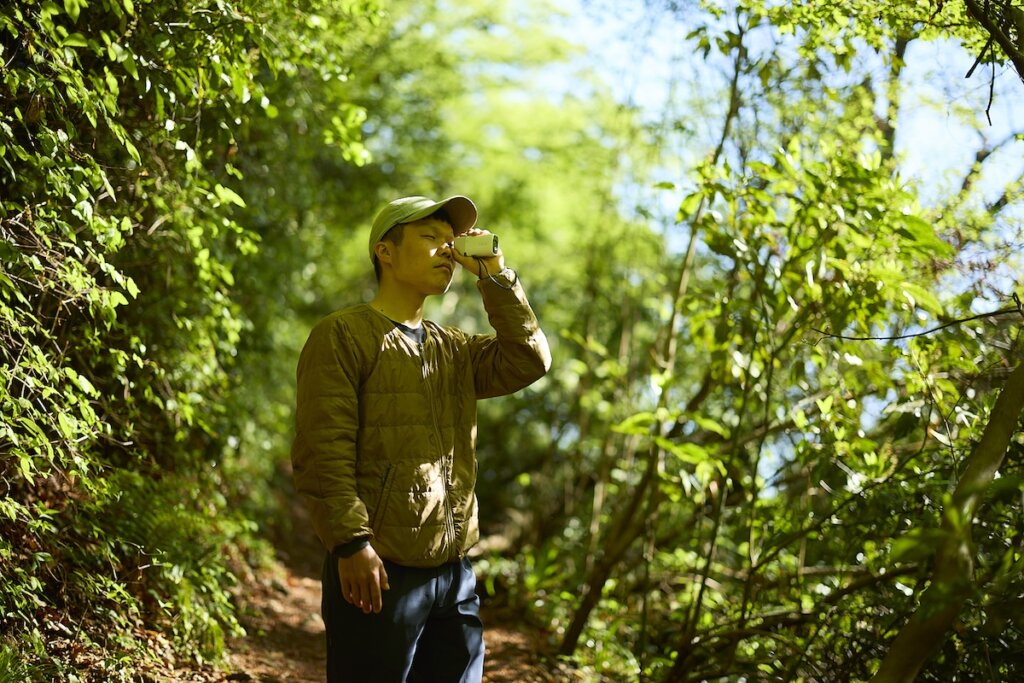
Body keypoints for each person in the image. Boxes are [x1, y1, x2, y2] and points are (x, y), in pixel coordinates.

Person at [291, 194, 551, 682]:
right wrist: (349, 544)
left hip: (455, 573)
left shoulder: (454, 348)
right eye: (430, 239)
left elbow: (529, 359)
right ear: (385, 252)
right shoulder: (343, 335)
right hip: (379, 568)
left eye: (452, 244)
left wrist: (495, 274)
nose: (447, 253)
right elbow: (323, 447)